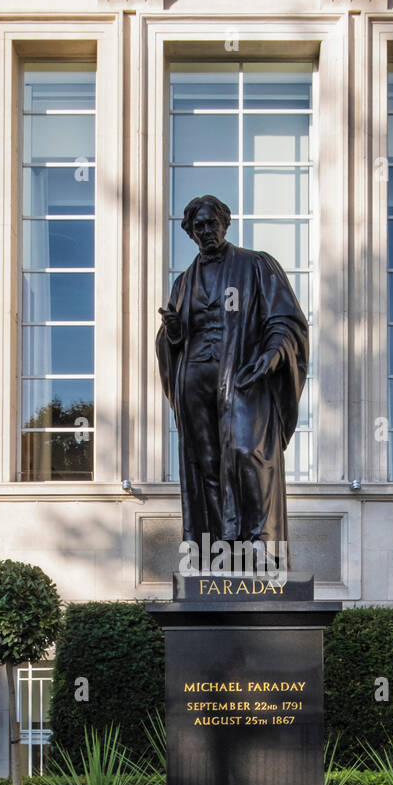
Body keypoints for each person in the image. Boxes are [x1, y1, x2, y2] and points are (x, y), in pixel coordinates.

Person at [157, 195, 308, 557]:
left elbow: (284, 320)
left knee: (246, 451)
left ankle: (259, 543)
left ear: (225, 223)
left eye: (212, 223)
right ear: (190, 233)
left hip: (241, 380)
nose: (206, 231)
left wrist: (272, 356)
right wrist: (174, 332)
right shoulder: (184, 282)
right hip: (195, 380)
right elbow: (169, 341)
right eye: (199, 227)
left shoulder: (256, 266)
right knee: (205, 462)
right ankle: (216, 548)